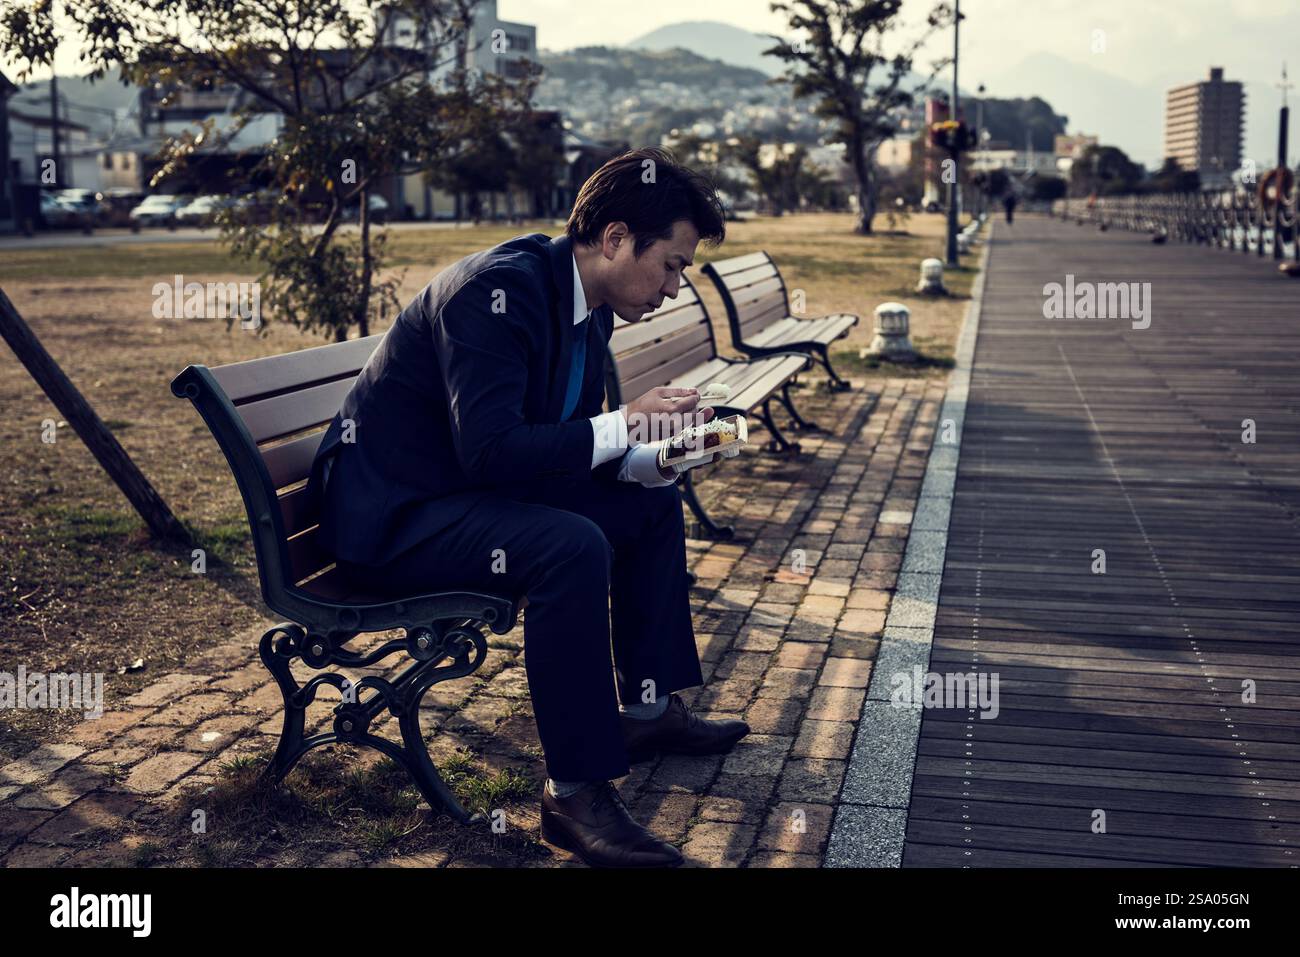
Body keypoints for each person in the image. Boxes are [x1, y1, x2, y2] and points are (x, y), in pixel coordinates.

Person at [304, 148, 750, 868]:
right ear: (612, 239)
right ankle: (573, 796)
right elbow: (491, 450)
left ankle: (643, 712)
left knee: (648, 507)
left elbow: (561, 446)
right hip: (394, 521)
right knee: (569, 546)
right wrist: (627, 424)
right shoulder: (493, 293)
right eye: (670, 264)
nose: (673, 287)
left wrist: (655, 455)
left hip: (462, 498)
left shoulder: (589, 305)